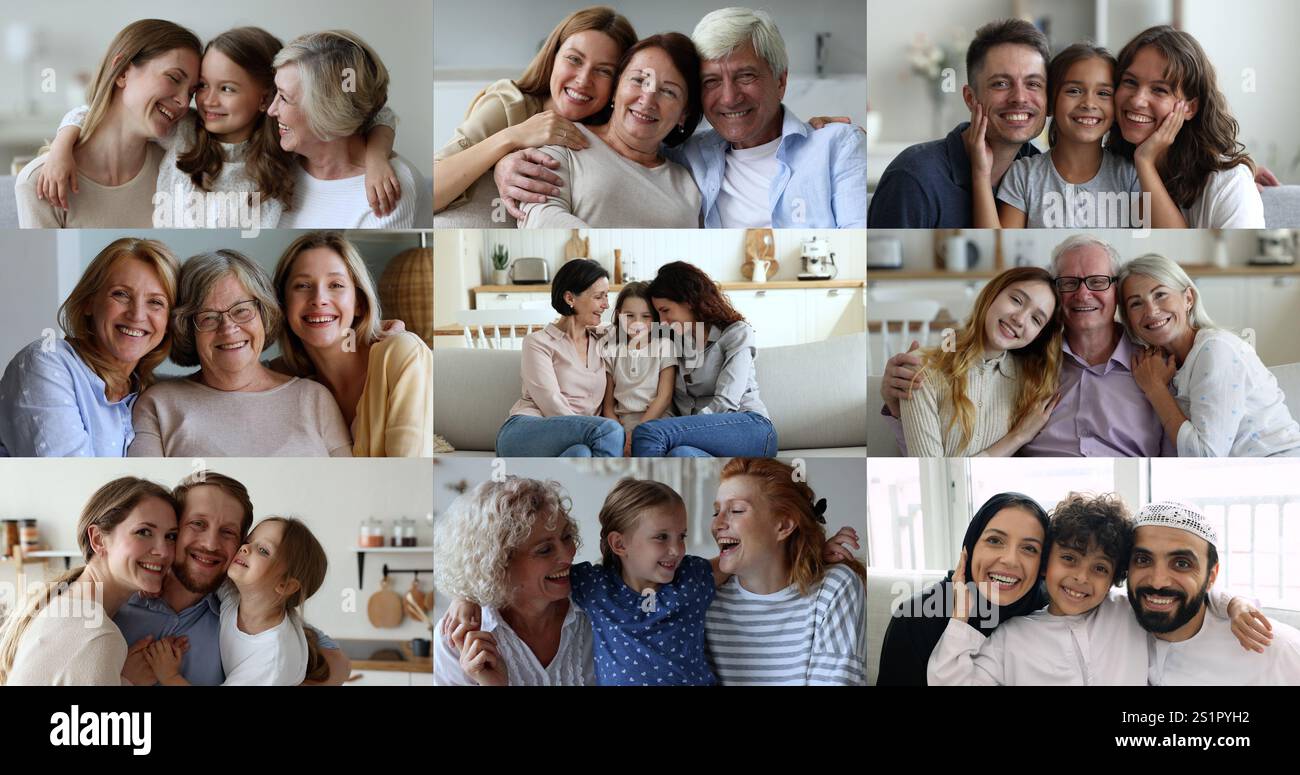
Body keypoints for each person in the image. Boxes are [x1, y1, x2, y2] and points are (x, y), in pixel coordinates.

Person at [34, 27, 403, 227]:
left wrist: (376, 158)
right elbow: (95, 110)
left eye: (226, 89)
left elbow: (375, 113)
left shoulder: (286, 142)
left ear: (264, 99)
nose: (205, 101)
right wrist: (62, 147)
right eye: (202, 87)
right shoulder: (183, 133)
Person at [928, 493, 1268, 685]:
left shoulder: (1127, 614)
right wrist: (960, 617)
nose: (1081, 578)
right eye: (1070, 559)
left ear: (1116, 577)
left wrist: (1233, 604)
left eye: (1100, 568)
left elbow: (1182, 600)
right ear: (1046, 562)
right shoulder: (1010, 638)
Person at [881, 235, 1171, 457]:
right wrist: (895, 404)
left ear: (1116, 290)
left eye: (1097, 282)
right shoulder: (1028, 364)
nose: (1083, 294)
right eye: (1069, 282)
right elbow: (959, 362)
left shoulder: (1154, 363)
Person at [115, 472, 350, 686]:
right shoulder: (116, 602)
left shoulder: (246, 609)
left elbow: (331, 654)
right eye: (198, 524)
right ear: (174, 528)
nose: (210, 544)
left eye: (228, 532)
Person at [128, 250, 352, 457]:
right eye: (208, 317)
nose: (228, 328)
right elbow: (150, 491)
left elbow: (349, 488)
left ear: (264, 314)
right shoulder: (158, 404)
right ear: (188, 328)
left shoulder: (314, 398)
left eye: (242, 311)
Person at [433, 6, 637, 215]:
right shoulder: (509, 105)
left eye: (603, 70)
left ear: (619, 83)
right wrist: (513, 136)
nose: (583, 80)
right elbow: (431, 191)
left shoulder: (618, 139)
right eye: (574, 59)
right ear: (553, 57)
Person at [0, 238, 179, 456]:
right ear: (89, 302)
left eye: (156, 302)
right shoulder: (46, 362)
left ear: (169, 322)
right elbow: (66, 479)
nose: (137, 315)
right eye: (121, 294)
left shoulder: (153, 393)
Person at [14, 20, 201, 227]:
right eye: (174, 78)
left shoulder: (179, 172)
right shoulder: (39, 183)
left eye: (192, 93)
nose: (184, 102)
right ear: (122, 72)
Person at [867, 19, 1048, 228]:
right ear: (970, 99)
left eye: (1033, 84)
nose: (1020, 98)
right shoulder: (913, 178)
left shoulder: (1044, 175)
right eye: (1001, 84)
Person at [1119, 254, 1300, 456]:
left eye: (1160, 294)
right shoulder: (1161, 364)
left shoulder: (1215, 349)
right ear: (1129, 320)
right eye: (1136, 303)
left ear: (1188, 298)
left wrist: (1155, 389)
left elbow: (1207, 457)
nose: (1151, 311)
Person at [0, 477, 177, 685]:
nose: (164, 551)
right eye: (144, 532)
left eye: (171, 536)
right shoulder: (98, 636)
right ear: (98, 540)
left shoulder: (59, 606)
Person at [706, 458, 866, 684]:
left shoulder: (834, 588)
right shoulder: (703, 598)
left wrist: (811, 555)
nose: (717, 523)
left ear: (783, 526)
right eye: (716, 512)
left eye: (736, 510)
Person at [273, 231, 433, 456]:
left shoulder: (401, 355)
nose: (319, 298)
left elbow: (409, 474)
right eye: (302, 285)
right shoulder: (283, 380)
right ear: (283, 303)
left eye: (336, 285)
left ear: (358, 302)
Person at [519, 33, 702, 228]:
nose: (647, 101)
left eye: (668, 92)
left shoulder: (689, 183)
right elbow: (540, 217)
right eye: (639, 80)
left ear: (684, 113)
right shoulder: (564, 140)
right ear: (615, 89)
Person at [433, 477, 595, 686]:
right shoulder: (457, 638)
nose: (568, 556)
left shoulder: (596, 609)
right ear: (498, 563)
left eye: (566, 537)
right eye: (544, 550)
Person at [877, 492, 1049, 686]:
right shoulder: (916, 618)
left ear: (1043, 564)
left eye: (1029, 548)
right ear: (970, 546)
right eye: (995, 541)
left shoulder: (1052, 611)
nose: (1010, 559)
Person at [1106, 26, 1264, 228]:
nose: (1137, 100)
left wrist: (1145, 160)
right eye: (1129, 82)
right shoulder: (1113, 172)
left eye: (1159, 90)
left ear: (1190, 107)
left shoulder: (1230, 184)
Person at [143, 517, 329, 686]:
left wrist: (169, 676)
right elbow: (206, 576)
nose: (245, 548)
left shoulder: (271, 657)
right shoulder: (236, 596)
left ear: (286, 585)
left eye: (263, 550)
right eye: (248, 541)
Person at [978, 44, 1147, 228]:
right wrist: (980, 174)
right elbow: (1004, 244)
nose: (1089, 103)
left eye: (1103, 93)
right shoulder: (1023, 175)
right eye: (1074, 91)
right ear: (1050, 102)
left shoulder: (1131, 176)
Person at [899, 266, 1063, 456]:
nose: (1019, 319)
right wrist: (1018, 437)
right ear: (993, 293)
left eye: (1036, 319)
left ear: (1038, 336)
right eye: (1016, 300)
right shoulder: (921, 366)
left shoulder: (1030, 385)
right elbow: (932, 467)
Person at [1131, 502, 1300, 685]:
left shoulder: (1278, 649)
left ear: (1211, 576)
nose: (1158, 581)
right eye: (1142, 560)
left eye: (1182, 564)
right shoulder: (1112, 622)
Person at [270, 31, 423, 227]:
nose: (271, 110)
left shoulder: (385, 192)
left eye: (283, 98)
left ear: (328, 114)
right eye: (276, 92)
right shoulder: (276, 160)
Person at [631, 262, 776, 457]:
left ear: (688, 301)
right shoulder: (673, 339)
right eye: (658, 313)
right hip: (701, 437)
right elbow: (627, 333)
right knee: (680, 455)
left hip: (750, 428)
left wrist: (684, 429)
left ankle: (639, 489)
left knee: (649, 432)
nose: (662, 320)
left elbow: (726, 402)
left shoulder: (736, 333)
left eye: (666, 310)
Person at [495, 259, 624, 457]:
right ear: (570, 298)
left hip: (582, 437)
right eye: (599, 297)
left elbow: (645, 329)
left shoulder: (602, 339)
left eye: (607, 296)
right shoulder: (538, 342)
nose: (606, 305)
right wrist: (593, 430)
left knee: (581, 454)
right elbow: (551, 403)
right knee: (610, 430)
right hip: (527, 429)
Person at [600, 282, 677, 457]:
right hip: (621, 426)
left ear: (655, 318)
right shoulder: (611, 350)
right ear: (619, 315)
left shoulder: (664, 346)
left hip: (657, 422)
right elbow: (608, 406)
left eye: (645, 316)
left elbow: (664, 397)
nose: (637, 323)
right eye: (629, 316)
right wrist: (620, 435)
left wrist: (637, 433)